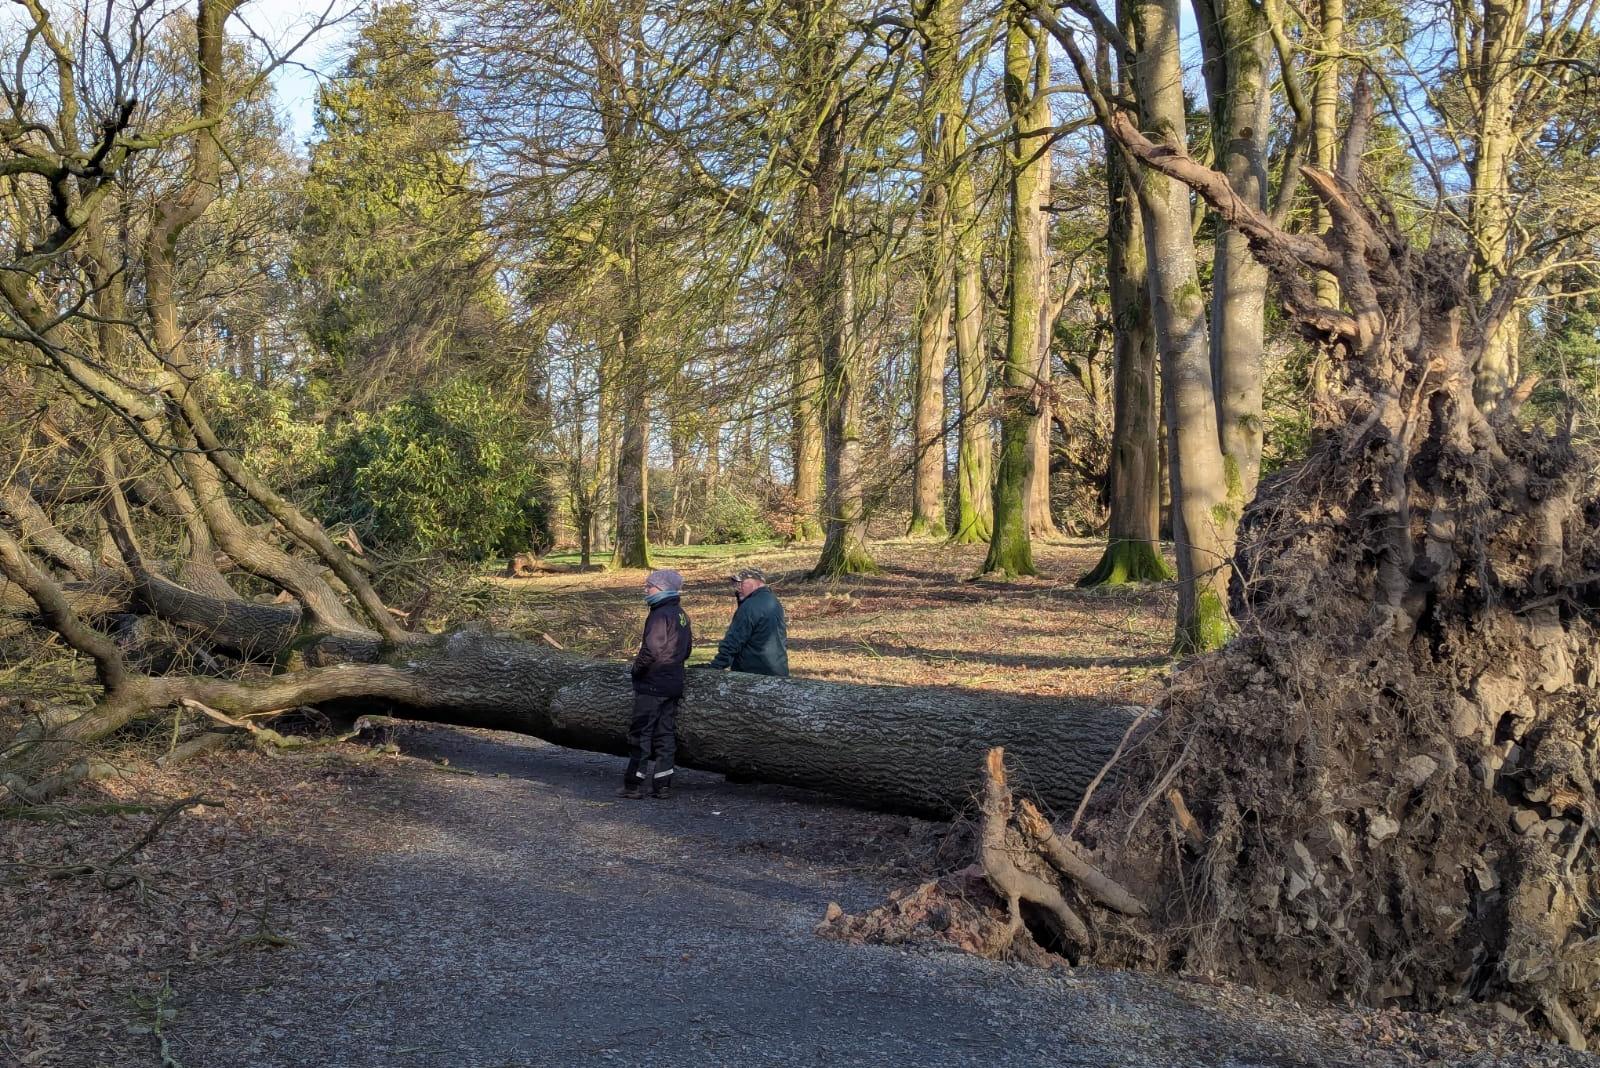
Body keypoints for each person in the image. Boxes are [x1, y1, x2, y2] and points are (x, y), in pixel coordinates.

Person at [621, 568, 693, 800]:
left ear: (661, 588)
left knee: (641, 733)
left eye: (649, 585)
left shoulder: (660, 615)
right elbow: (688, 649)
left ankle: (634, 783)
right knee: (665, 735)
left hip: (653, 684)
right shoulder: (681, 614)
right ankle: (663, 784)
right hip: (673, 682)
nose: (645, 589)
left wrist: (636, 670)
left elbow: (651, 649)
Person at [707, 567, 788, 677]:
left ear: (757, 583)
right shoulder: (772, 601)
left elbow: (734, 641)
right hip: (777, 670)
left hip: (753, 674)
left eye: (741, 583)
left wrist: (715, 667)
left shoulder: (750, 606)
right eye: (735, 584)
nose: (737, 588)